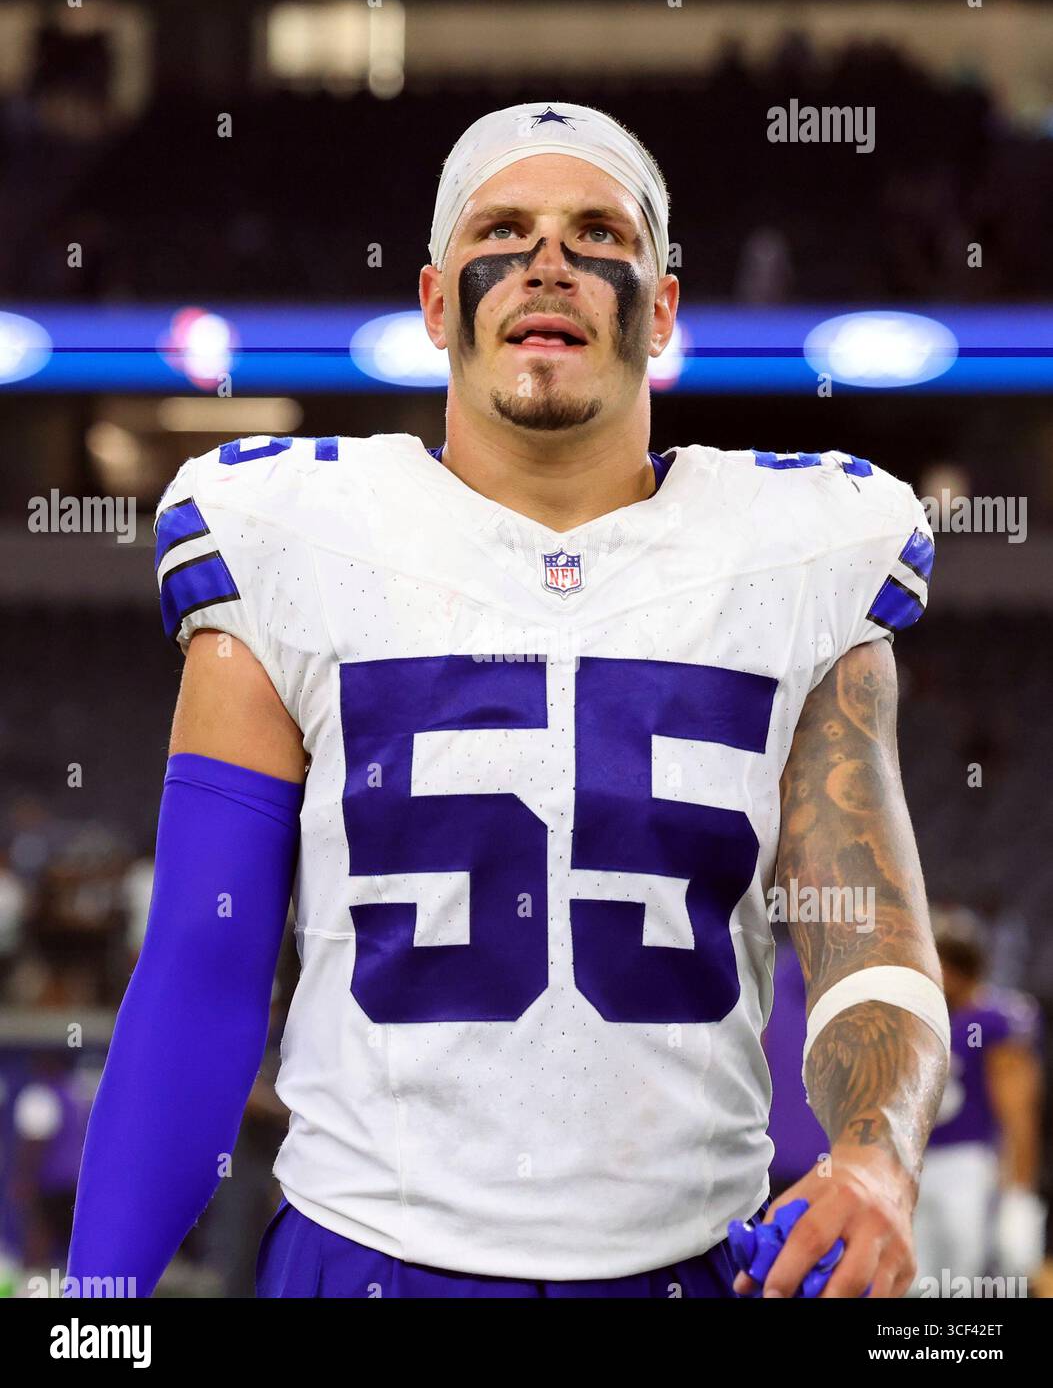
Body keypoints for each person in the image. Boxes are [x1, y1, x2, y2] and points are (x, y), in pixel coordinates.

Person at [68, 101, 948, 1299]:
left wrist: (881, 1159)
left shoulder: (798, 553)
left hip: (684, 1265)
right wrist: (97, 1307)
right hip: (365, 1258)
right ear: (437, 300)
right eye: (506, 228)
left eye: (598, 233)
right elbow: (202, 966)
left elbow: (868, 933)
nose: (549, 262)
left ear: (663, 308)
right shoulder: (294, 537)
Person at [912, 906, 1044, 1292]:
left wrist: (1020, 1194)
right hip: (915, 1163)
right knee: (913, 1279)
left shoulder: (994, 1020)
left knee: (960, 1279)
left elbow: (1019, 1114)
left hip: (966, 1163)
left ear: (954, 965)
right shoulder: (927, 1016)